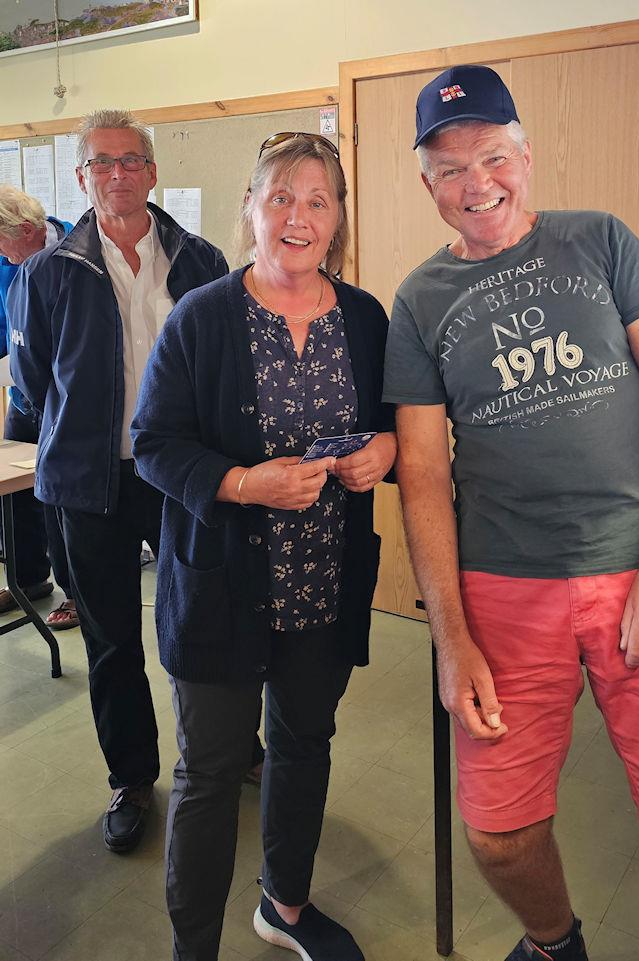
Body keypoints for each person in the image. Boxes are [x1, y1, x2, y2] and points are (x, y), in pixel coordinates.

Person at [382, 65, 639, 961]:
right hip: (504, 589)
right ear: (427, 186)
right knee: (498, 837)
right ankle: (555, 943)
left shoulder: (602, 242)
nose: (480, 186)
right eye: (452, 170)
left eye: (495, 157)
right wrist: (450, 638)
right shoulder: (419, 301)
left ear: (526, 156)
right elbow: (425, 475)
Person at [131, 132, 396, 961]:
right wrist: (245, 483)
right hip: (219, 591)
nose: (298, 216)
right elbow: (152, 443)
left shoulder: (363, 317)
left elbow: (394, 425)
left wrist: (382, 452)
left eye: (318, 200)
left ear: (338, 219)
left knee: (304, 746)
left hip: (322, 586)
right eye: (280, 196)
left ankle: (284, 904)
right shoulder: (203, 316)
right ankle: (194, 947)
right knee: (210, 775)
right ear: (249, 208)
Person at [8, 108, 229, 853]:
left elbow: (224, 368)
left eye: (131, 160)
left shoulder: (200, 260)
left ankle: (230, 748)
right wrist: (64, 447)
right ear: (82, 176)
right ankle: (132, 776)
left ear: (152, 171)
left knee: (204, 621)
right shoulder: (47, 273)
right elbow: (33, 384)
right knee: (111, 638)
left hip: (180, 476)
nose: (118, 174)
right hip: (89, 483)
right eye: (102, 162)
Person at [0, 185, 77, 629]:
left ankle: (76, 594)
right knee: (17, 501)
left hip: (65, 404)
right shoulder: (6, 262)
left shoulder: (76, 255)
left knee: (58, 502)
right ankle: (28, 581)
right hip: (23, 400)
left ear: (27, 230)